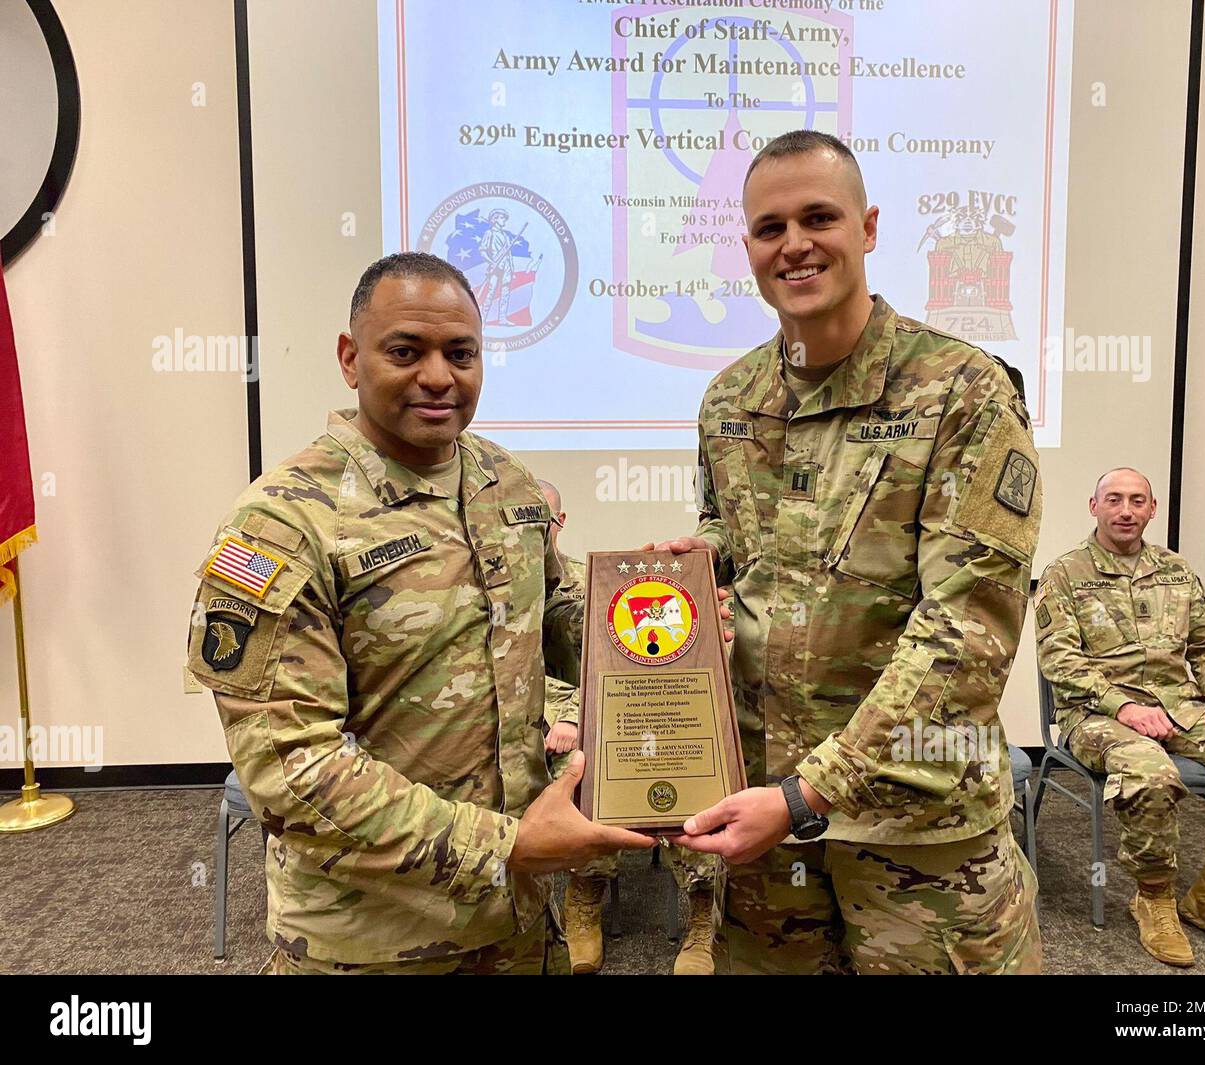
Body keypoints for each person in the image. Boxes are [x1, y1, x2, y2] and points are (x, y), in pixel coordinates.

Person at [186, 252, 650, 974]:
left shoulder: (507, 481)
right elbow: (292, 770)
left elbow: (556, 616)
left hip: (519, 917)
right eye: (407, 350)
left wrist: (660, 618)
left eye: (460, 353)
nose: (439, 375)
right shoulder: (281, 524)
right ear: (350, 357)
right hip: (375, 939)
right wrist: (505, 847)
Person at [658, 129, 1043, 974]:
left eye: (818, 217)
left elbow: (967, 634)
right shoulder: (730, 398)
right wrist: (699, 564)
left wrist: (808, 793)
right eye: (770, 228)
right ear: (749, 249)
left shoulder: (961, 391)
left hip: (915, 830)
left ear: (867, 227)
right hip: (766, 812)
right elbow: (741, 531)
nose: (794, 243)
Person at [1036, 467, 1205, 967]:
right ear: (1094, 507)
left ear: (1152, 509)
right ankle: (1154, 897)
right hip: (1096, 716)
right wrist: (1126, 707)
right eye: (1114, 499)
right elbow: (1060, 661)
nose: (1126, 510)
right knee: (1150, 774)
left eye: (1138, 500)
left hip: (1182, 709)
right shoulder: (1065, 573)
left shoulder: (1177, 571)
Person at [534, 479, 720, 975]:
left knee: (684, 745)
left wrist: (656, 586)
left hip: (609, 713)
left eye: (542, 523)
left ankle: (702, 912)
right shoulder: (488, 586)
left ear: (560, 524)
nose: (531, 535)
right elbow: (508, 677)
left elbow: (618, 660)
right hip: (537, 728)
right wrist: (564, 713)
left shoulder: (587, 582)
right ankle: (585, 894)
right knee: (580, 765)